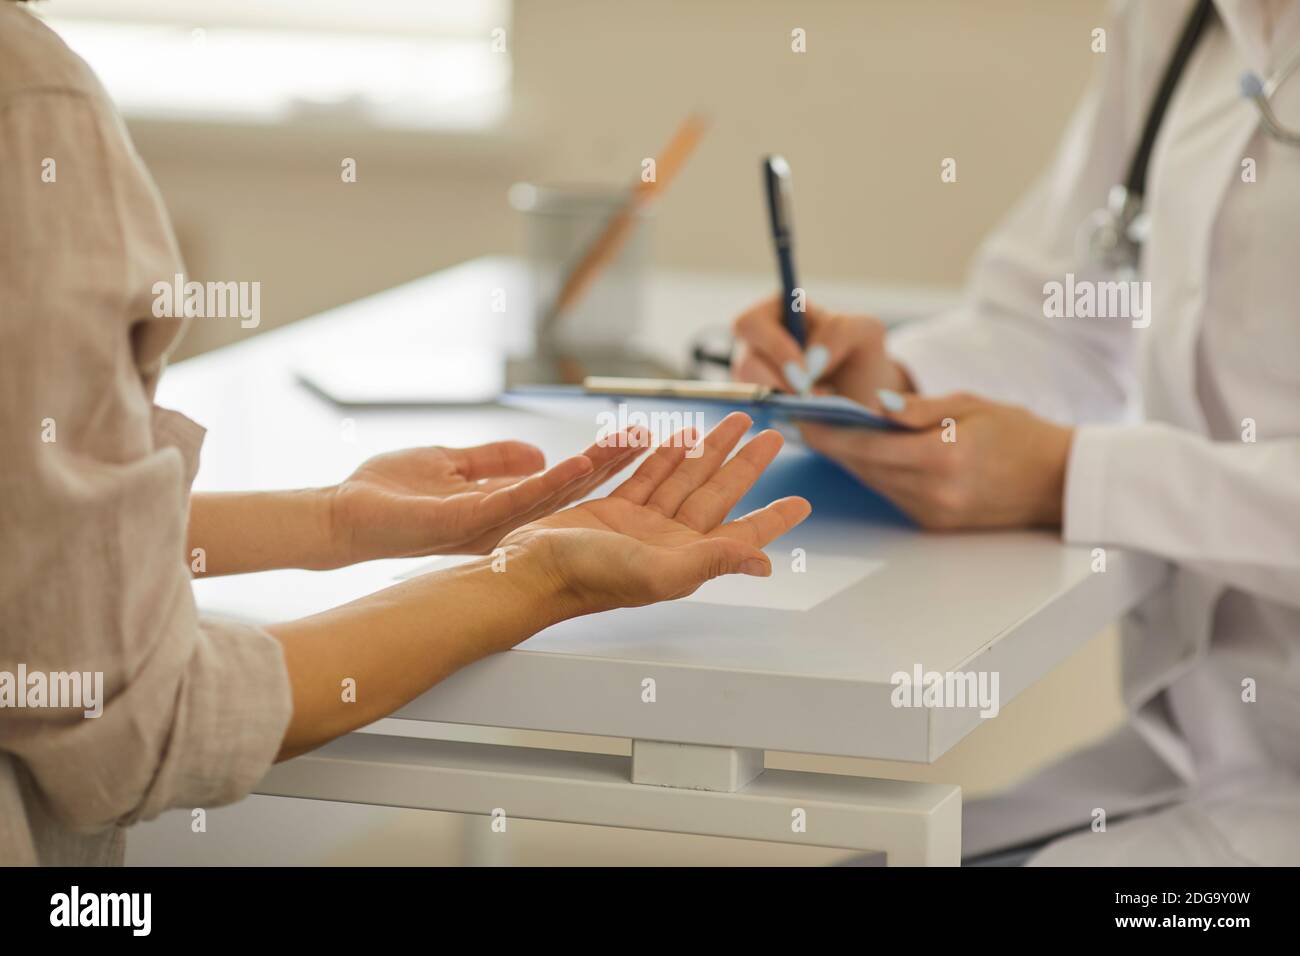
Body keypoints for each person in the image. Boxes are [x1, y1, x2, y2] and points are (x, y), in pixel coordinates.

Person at [0, 3, 810, 865]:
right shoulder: (32, 105)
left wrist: (337, 522)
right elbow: (140, 719)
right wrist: (537, 579)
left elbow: (31, 555)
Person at [731, 0, 1300, 865]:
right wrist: (894, 389)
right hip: (1196, 756)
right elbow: (1061, 321)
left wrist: (1071, 478)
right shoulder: (1175, 21)